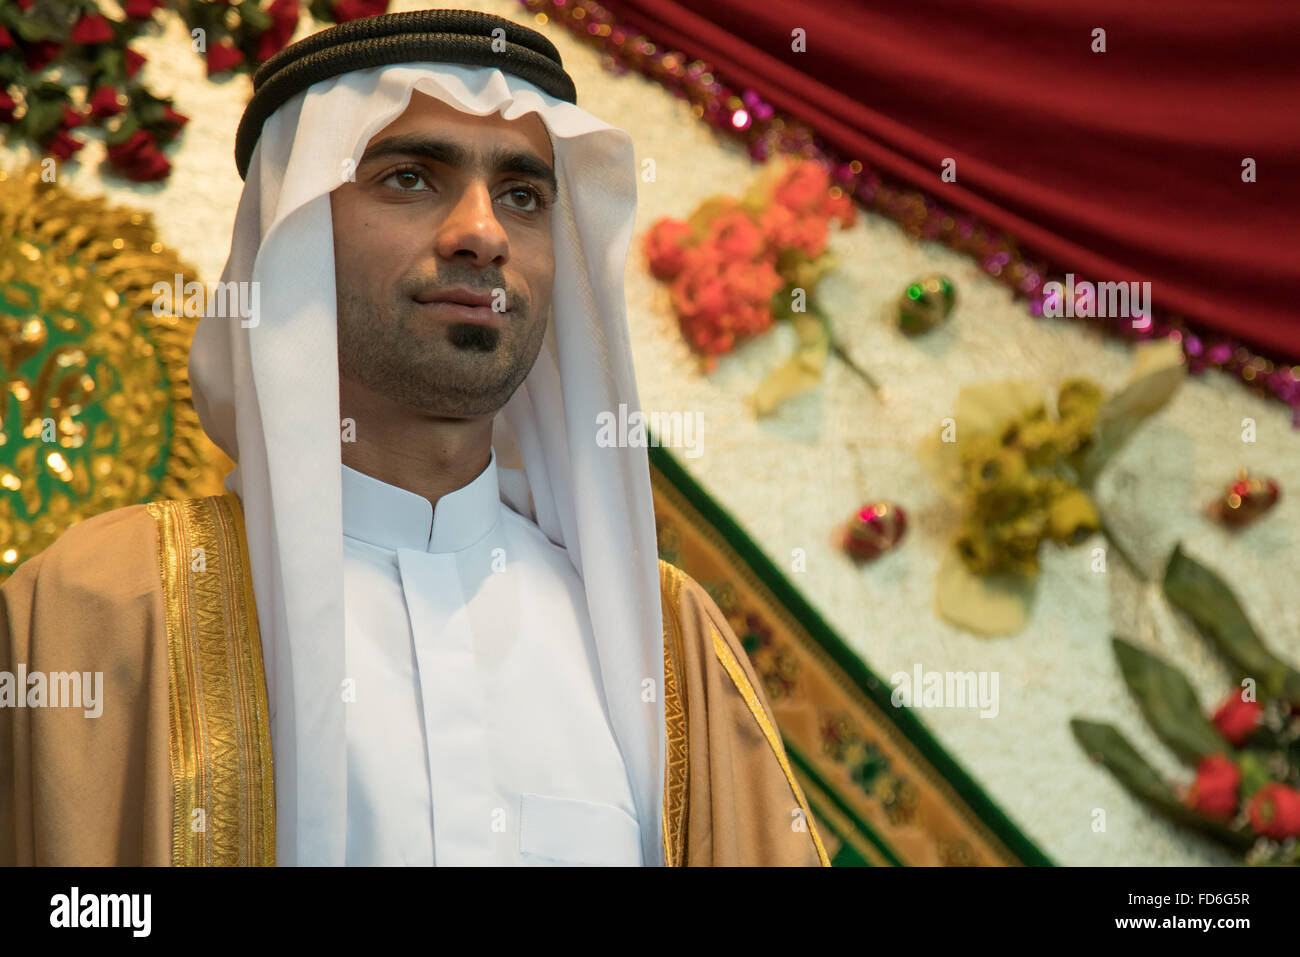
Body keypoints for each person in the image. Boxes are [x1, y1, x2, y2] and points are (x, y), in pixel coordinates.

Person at [0, 9, 827, 867]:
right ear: (295, 234)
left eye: (523, 195)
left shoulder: (666, 645)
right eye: (409, 178)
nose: (483, 231)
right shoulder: (103, 606)